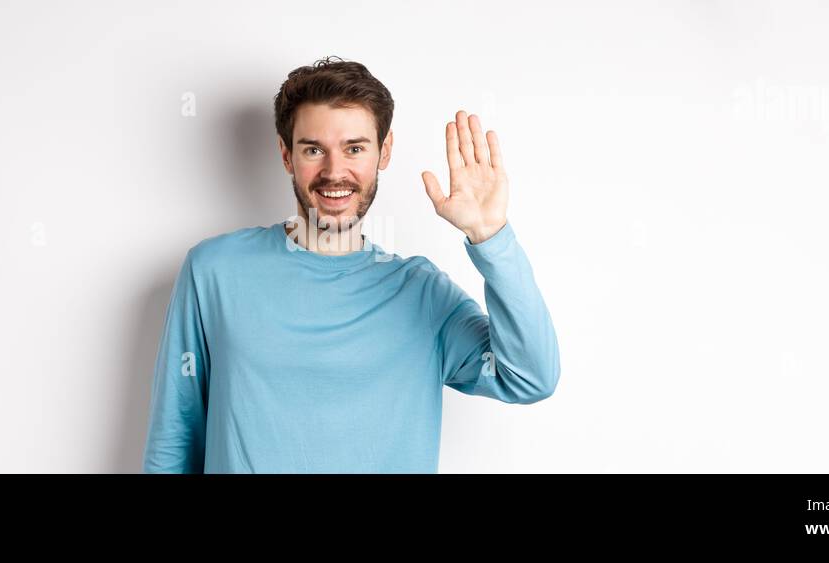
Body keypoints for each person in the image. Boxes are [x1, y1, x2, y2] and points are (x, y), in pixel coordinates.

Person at [141, 56, 560, 473]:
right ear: (287, 155)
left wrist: (492, 238)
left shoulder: (420, 292)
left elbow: (529, 376)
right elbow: (175, 438)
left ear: (384, 151)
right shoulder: (214, 271)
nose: (334, 171)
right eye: (313, 149)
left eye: (354, 148)